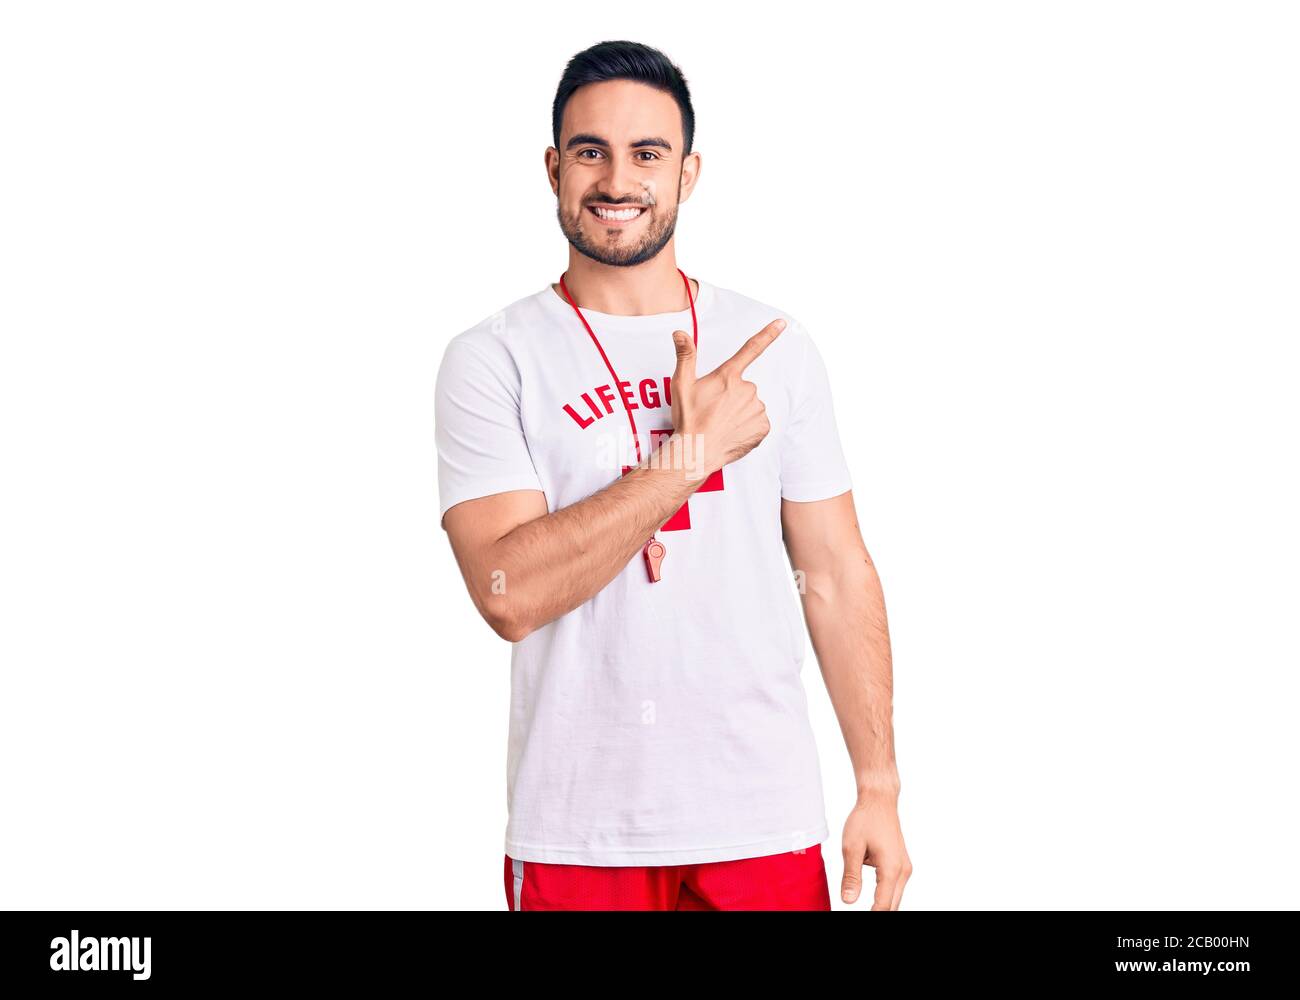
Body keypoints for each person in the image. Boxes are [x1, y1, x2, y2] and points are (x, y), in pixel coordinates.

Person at [435, 39, 911, 911]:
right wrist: (686, 461)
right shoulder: (491, 359)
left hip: (760, 819)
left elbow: (836, 575)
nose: (618, 180)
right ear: (553, 168)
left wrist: (877, 783)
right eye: (591, 151)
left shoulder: (774, 346)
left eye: (647, 153)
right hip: (578, 831)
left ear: (688, 173)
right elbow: (508, 592)